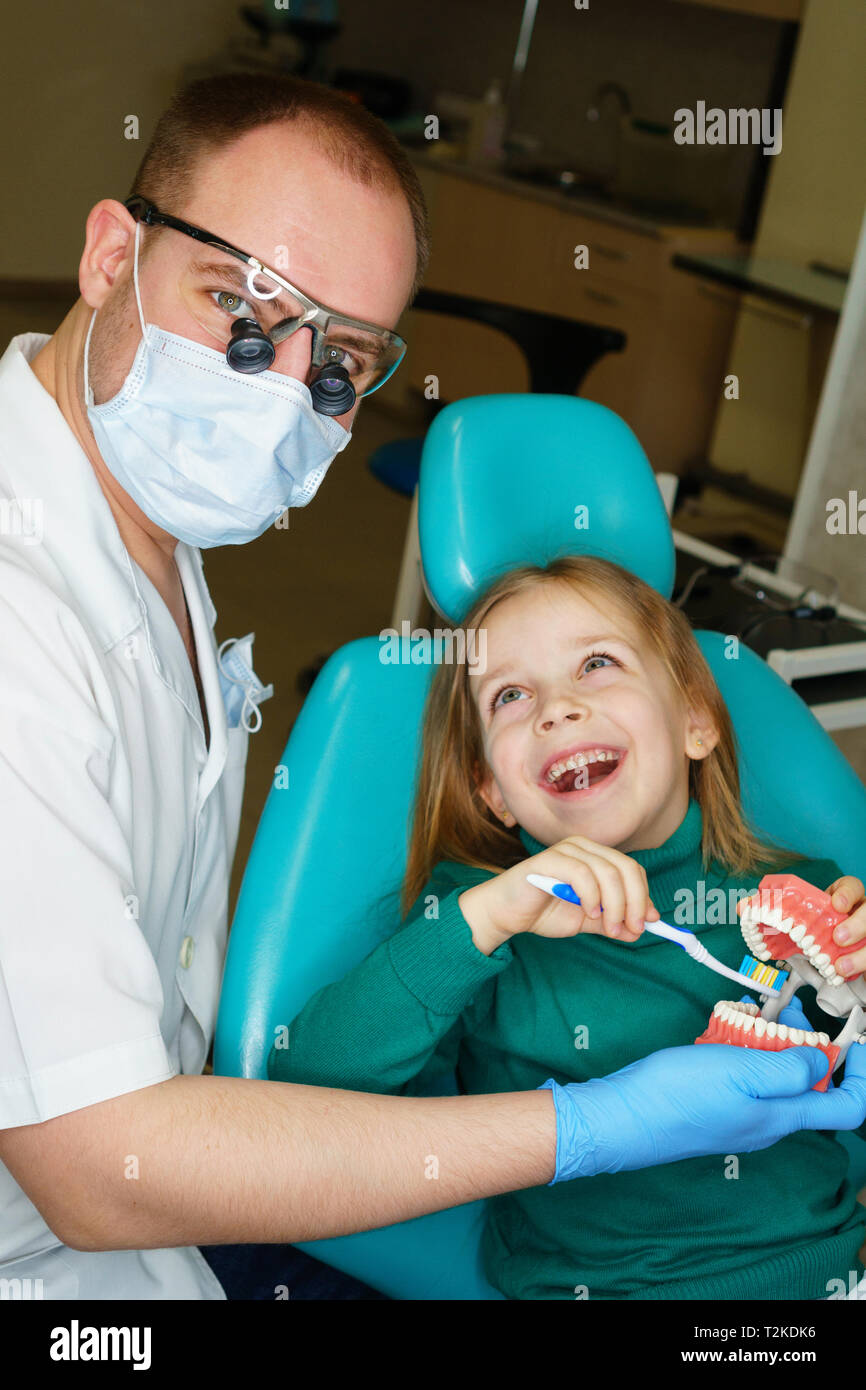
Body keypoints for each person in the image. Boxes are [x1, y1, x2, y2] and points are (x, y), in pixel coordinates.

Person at [1, 72, 861, 1304]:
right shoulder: (16, 620)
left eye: (339, 359)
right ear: (108, 255)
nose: (279, 388)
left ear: (696, 718)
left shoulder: (142, 537)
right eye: (243, 309)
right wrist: (592, 1124)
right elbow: (113, 1165)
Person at [272, 554, 866, 1300]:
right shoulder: (483, 926)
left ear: (695, 720)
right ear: (493, 791)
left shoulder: (812, 900)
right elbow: (305, 1091)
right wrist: (479, 921)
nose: (556, 708)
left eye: (596, 663)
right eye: (511, 696)